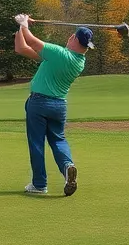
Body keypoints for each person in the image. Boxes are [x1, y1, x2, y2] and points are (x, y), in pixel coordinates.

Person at [12, 15, 90, 196]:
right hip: (59, 106)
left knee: (36, 143)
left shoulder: (59, 53)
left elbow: (30, 40)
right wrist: (20, 27)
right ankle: (67, 167)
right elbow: (21, 48)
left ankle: (39, 184)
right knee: (58, 140)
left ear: (72, 38)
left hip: (39, 104)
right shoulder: (79, 61)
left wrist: (23, 23)